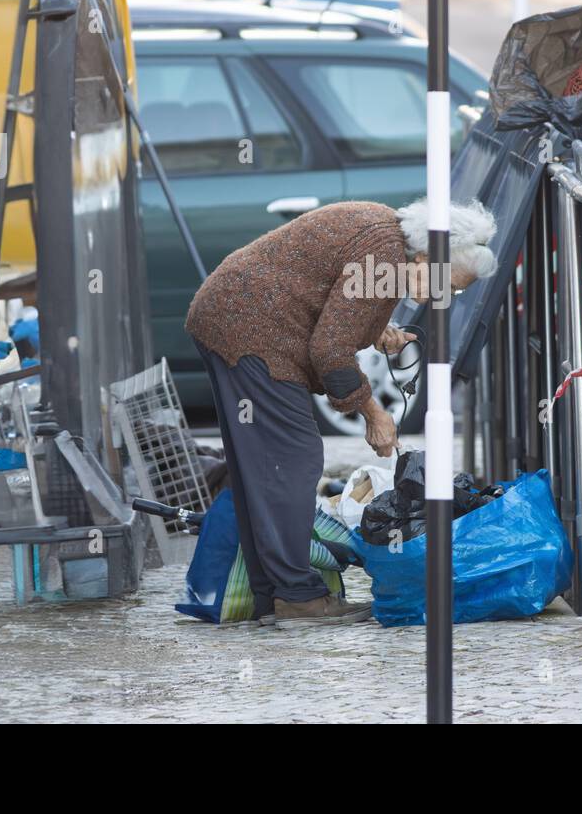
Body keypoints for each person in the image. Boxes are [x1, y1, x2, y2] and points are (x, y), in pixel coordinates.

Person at [185, 199, 497, 628]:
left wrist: (374, 330)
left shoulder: (390, 241)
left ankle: (272, 595)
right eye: (449, 284)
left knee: (265, 468)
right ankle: (296, 597)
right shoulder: (381, 256)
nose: (446, 295)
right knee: (292, 460)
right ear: (427, 258)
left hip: (232, 315)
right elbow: (329, 350)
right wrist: (372, 413)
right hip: (250, 330)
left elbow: (337, 302)